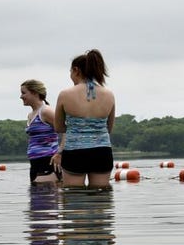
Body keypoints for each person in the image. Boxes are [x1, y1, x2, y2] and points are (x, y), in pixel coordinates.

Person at [52, 49, 116, 187]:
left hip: (75, 152)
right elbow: (109, 128)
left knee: (74, 199)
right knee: (100, 202)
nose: (70, 76)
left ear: (76, 70)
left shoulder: (65, 94)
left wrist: (77, 127)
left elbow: (58, 127)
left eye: (70, 72)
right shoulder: (109, 95)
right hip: (102, 151)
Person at [21, 79, 58, 183]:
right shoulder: (30, 115)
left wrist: (60, 154)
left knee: (46, 196)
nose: (21, 96)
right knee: (36, 197)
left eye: (23, 93)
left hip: (48, 160)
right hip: (35, 162)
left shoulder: (46, 111)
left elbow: (66, 131)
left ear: (34, 93)